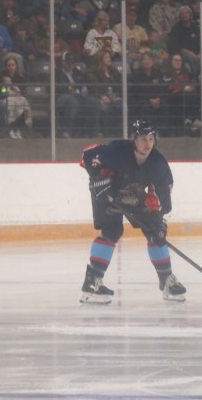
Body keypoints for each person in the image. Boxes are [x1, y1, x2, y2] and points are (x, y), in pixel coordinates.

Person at [78, 120, 187, 304]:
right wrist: (98, 178)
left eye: (151, 139)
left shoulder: (158, 164)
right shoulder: (117, 150)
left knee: (154, 231)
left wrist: (158, 221)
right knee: (112, 231)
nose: (147, 144)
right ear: (134, 140)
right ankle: (92, 284)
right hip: (107, 192)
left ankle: (166, 280)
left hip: (132, 193)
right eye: (143, 139)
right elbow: (86, 155)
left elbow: (162, 199)